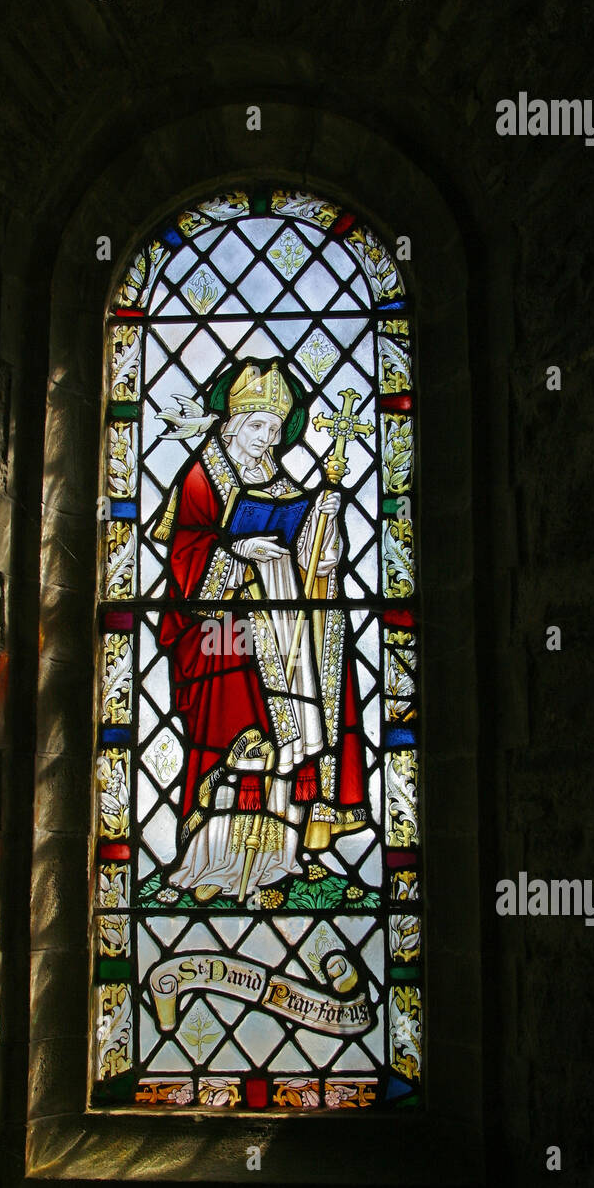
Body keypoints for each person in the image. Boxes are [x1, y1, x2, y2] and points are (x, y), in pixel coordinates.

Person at [153, 358, 366, 903]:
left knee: (296, 718)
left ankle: (282, 854)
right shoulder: (204, 475)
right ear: (231, 424)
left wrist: (324, 531)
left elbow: (306, 555)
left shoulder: (276, 479)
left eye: (275, 430)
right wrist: (236, 550)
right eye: (257, 427)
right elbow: (186, 558)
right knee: (241, 728)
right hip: (218, 634)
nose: (266, 440)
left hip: (277, 623)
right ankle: (213, 859)